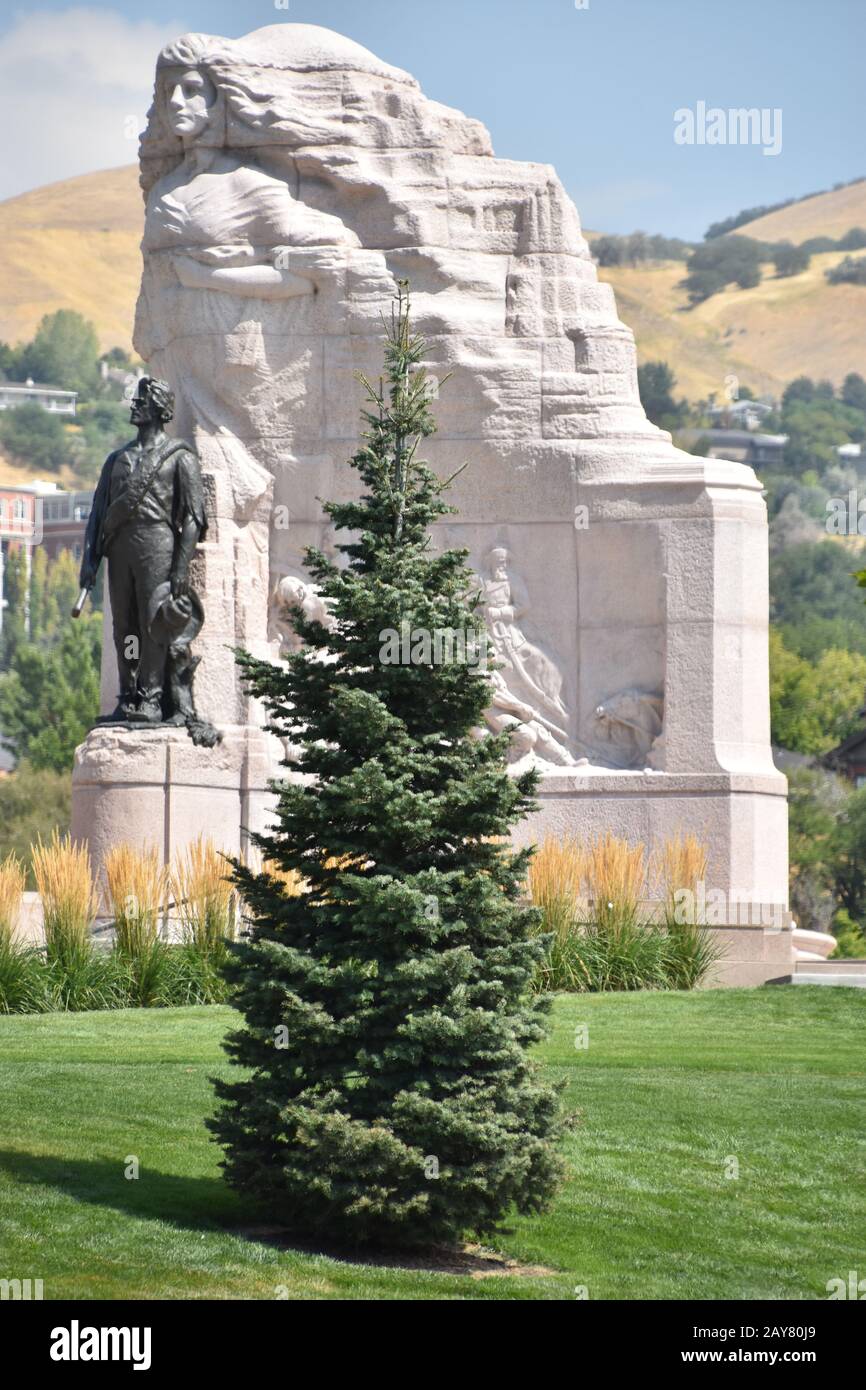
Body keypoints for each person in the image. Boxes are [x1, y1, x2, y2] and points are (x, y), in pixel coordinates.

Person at [79, 376, 214, 742]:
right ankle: (129, 695)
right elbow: (98, 513)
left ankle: (153, 699)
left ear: (158, 407)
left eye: (141, 399)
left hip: (157, 544)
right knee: (125, 626)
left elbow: (192, 519)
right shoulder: (116, 459)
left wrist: (181, 568)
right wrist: (89, 561)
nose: (134, 404)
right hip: (119, 549)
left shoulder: (179, 457)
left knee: (153, 624)